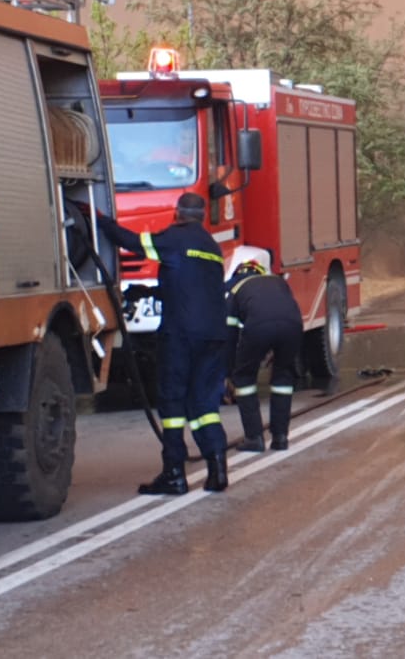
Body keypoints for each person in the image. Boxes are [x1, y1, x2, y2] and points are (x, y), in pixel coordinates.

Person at [100, 192, 230, 494]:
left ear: (177, 215)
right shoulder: (212, 247)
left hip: (181, 335)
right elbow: (193, 289)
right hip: (213, 336)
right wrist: (149, 292)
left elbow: (133, 243)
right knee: (205, 404)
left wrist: (101, 222)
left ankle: (174, 473)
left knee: (173, 402)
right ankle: (217, 469)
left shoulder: (174, 238)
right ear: (202, 217)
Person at [224, 246, 303, 452]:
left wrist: (230, 369)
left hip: (258, 327)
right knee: (283, 378)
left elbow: (230, 334)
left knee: (244, 379)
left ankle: (254, 437)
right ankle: (280, 437)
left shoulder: (234, 289)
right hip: (293, 325)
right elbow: (283, 311)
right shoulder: (278, 282)